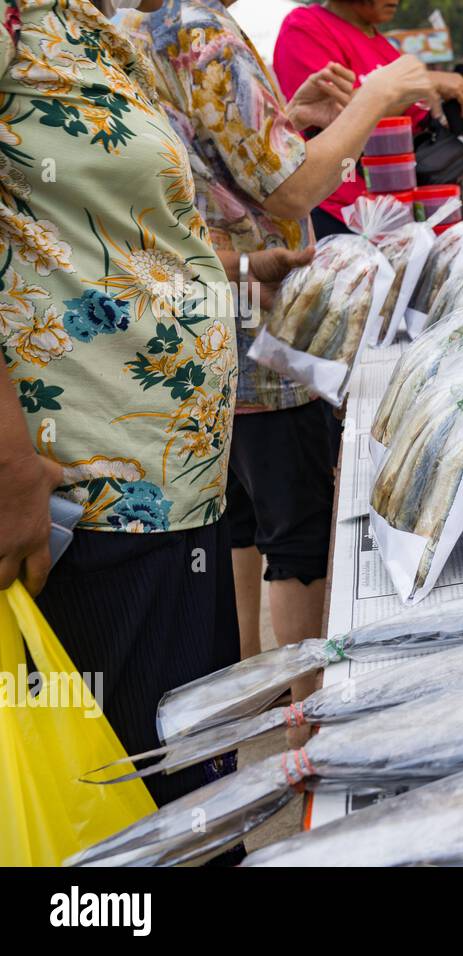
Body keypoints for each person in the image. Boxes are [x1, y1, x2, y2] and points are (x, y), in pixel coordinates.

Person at [0, 0, 265, 806]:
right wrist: (8, 463)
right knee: (130, 818)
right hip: (90, 501)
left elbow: (111, 225)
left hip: (175, 492)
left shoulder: (82, 19)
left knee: (190, 796)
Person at [122, 1, 429, 676]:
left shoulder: (150, 25)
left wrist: (289, 116)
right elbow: (290, 190)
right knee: (297, 532)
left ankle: (250, 689)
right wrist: (377, 93)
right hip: (263, 320)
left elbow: (211, 160)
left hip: (207, 318)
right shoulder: (198, 26)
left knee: (241, 519)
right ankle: (305, 719)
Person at [273, 0, 463, 238]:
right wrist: (422, 81)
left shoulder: (380, 42)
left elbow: (411, 121)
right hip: (345, 209)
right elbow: (335, 111)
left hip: (398, 206)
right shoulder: (304, 26)